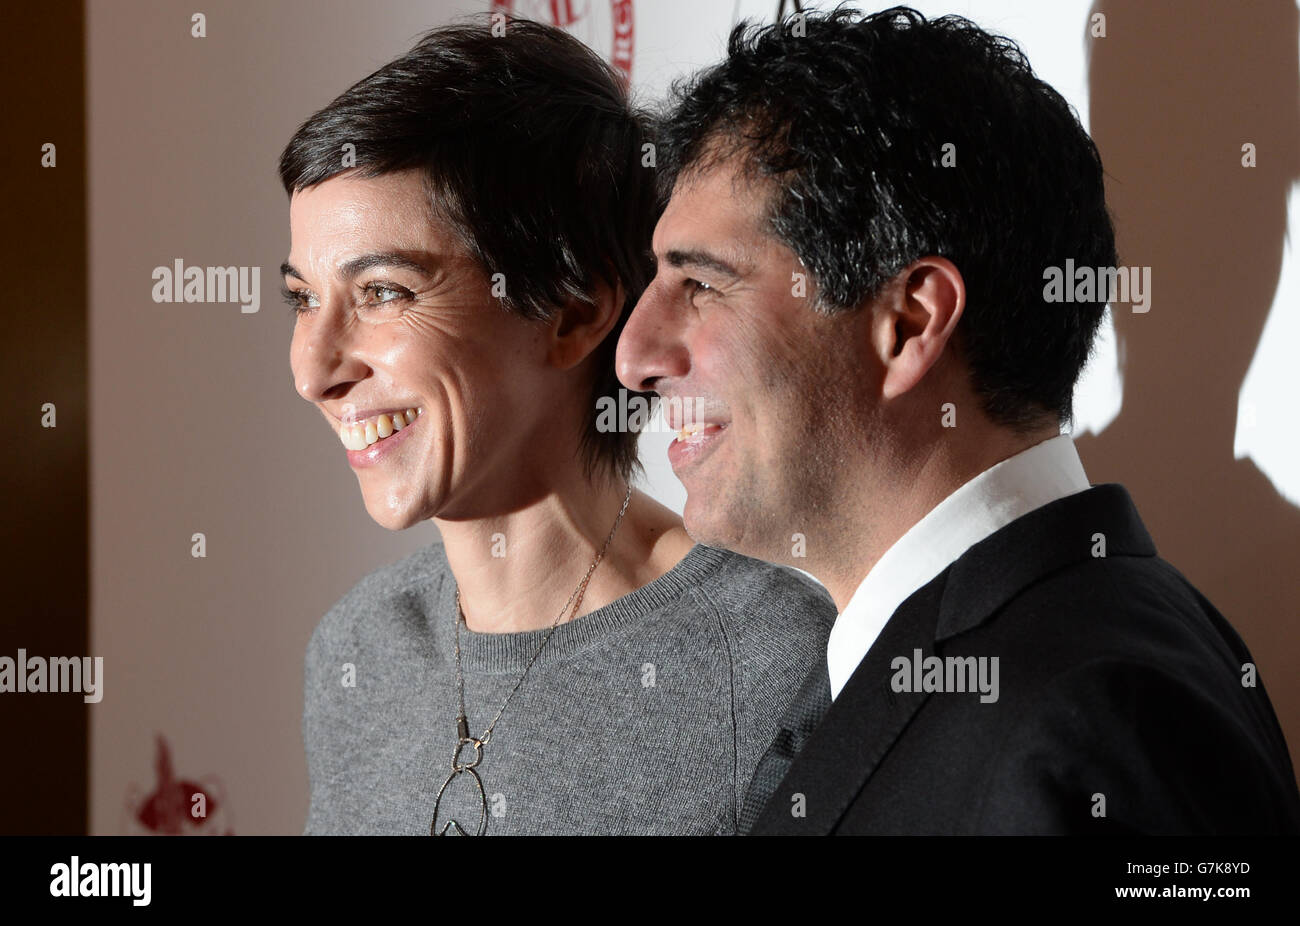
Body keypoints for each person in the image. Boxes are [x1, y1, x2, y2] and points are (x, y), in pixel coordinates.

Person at [616, 6, 1300, 834]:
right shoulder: (932, 667)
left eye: (701, 285)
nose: (635, 357)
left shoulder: (1097, 723)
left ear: (909, 322)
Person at [278, 17, 834, 835]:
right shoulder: (357, 651)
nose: (313, 369)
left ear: (572, 315)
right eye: (301, 299)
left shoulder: (773, 658)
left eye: (384, 291)